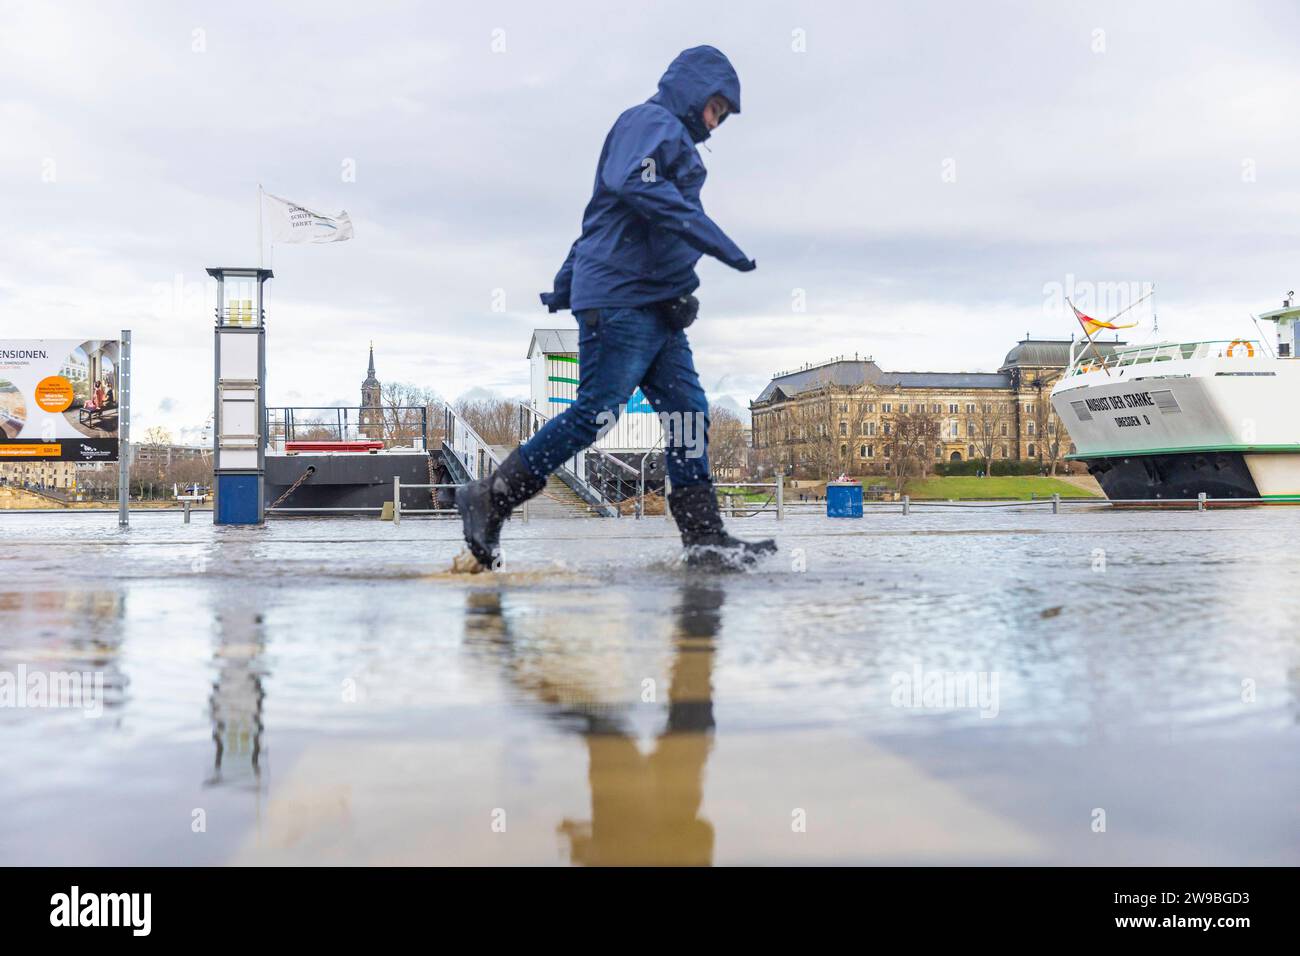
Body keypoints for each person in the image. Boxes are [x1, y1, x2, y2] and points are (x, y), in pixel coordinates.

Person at [456, 45, 776, 571]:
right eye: (716, 107)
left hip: (656, 307)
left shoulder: (673, 142)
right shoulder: (650, 122)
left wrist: (680, 289)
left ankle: (705, 539)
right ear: (693, 90)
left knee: (689, 414)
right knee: (597, 411)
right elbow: (632, 183)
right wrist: (715, 240)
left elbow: (615, 226)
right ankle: (491, 497)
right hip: (622, 303)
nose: (716, 123)